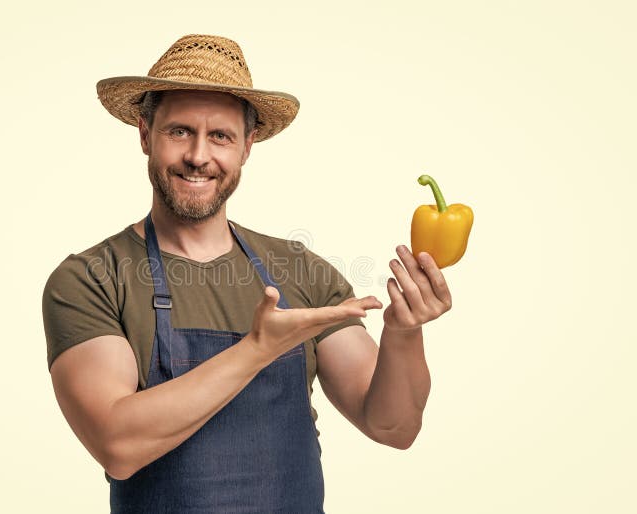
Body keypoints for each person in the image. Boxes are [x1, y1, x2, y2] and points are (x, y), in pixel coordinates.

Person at [42, 34, 453, 513]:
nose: (199, 155)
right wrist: (259, 350)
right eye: (179, 131)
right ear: (144, 134)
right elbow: (117, 444)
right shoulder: (93, 278)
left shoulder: (299, 271)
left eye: (220, 136)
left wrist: (404, 333)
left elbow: (394, 428)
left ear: (247, 146)